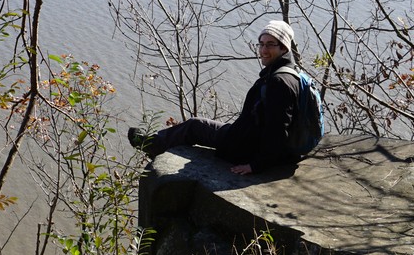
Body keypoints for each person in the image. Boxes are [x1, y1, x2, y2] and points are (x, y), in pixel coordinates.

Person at [128, 19, 301, 175]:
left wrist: (255, 166)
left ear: (284, 48)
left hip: (245, 147)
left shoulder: (279, 82)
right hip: (248, 137)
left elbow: (278, 130)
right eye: (261, 44)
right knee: (197, 125)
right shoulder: (292, 73)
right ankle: (154, 145)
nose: (263, 50)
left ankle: (150, 145)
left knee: (194, 126)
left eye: (270, 44)